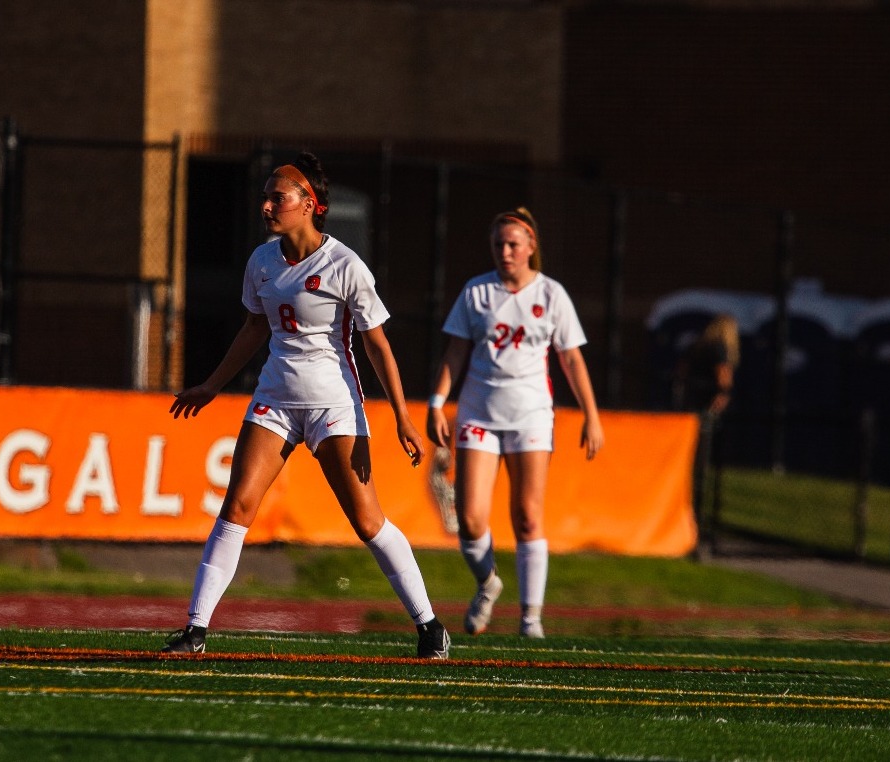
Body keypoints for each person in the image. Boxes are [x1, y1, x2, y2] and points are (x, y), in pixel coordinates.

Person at [162, 152, 450, 659]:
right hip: (274, 400)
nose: (267, 204)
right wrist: (211, 385)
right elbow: (254, 329)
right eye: (267, 195)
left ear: (309, 205)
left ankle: (429, 626)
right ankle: (195, 629)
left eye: (279, 196)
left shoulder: (345, 265)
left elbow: (377, 345)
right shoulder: (261, 260)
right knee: (237, 507)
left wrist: (402, 415)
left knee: (366, 521)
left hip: (333, 407)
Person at [425, 207, 603, 639]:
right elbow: (455, 352)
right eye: (498, 244)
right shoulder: (476, 292)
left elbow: (572, 358)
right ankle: (488, 583)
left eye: (513, 244)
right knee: (468, 519)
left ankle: (531, 618)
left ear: (531, 247)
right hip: (479, 412)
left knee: (527, 516)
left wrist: (592, 416)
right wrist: (436, 402)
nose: (504, 252)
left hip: (530, 415)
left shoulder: (552, 295)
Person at [672, 313, 739, 554]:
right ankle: (697, 523)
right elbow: (724, 382)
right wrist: (717, 407)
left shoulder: (696, 346)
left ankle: (686, 516)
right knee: (701, 469)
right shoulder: (720, 349)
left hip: (688, 413)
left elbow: (680, 372)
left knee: (688, 466)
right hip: (703, 415)